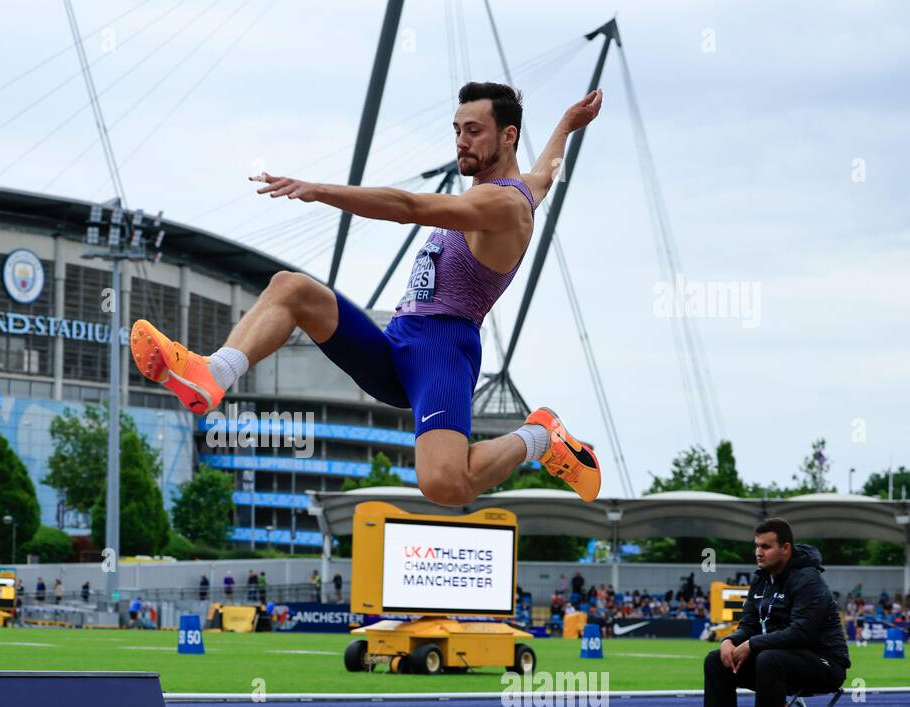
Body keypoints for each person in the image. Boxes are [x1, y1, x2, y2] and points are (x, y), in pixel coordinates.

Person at [129, 84, 604, 507]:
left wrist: (320, 190)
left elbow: (409, 206)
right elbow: (546, 173)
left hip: (443, 352)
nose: (461, 140)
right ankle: (212, 374)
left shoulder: (502, 203)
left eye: (474, 130)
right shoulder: (514, 191)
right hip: (396, 343)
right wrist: (566, 124)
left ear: (508, 136)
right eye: (456, 129)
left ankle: (541, 436)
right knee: (290, 288)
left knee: (445, 485)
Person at [685, 518, 850, 707]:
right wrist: (730, 641)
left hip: (824, 664)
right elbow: (748, 625)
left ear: (786, 548)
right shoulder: (761, 580)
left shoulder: (808, 580)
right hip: (777, 662)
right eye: (757, 546)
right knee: (716, 661)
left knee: (768, 658)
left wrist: (752, 644)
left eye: (766, 546)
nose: (758, 553)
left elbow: (801, 633)